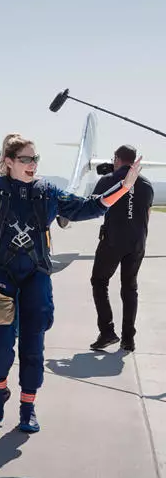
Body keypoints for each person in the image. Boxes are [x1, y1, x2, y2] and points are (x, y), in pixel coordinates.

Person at [0, 113, 141, 433]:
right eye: (26, 158)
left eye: (35, 158)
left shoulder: (47, 193)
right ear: (9, 162)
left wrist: (124, 186)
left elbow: (89, 206)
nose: (33, 163)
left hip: (35, 277)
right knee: (0, 346)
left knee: (33, 346)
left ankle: (28, 406)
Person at [89, 145, 153, 352]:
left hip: (113, 241)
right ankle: (128, 339)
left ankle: (107, 332)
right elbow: (147, 214)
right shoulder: (147, 184)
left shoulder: (108, 180)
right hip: (137, 242)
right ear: (133, 160)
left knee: (99, 281)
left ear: (117, 159)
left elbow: (94, 207)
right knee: (130, 287)